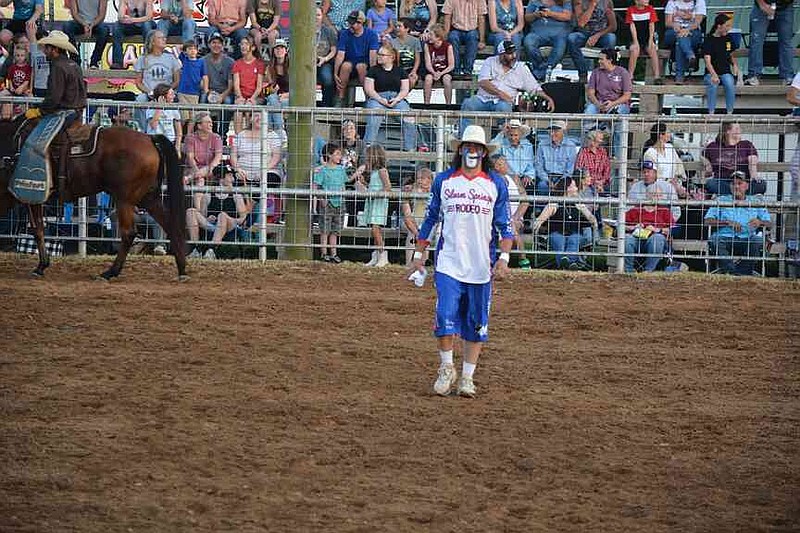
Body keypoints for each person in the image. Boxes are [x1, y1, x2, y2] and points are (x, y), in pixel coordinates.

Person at [409, 124, 514, 398]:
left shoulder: (496, 184)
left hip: (481, 265)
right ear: (460, 150)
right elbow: (431, 218)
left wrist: (503, 258)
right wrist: (419, 254)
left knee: (477, 322)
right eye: (467, 146)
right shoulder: (444, 181)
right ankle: (446, 367)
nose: (472, 151)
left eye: (477, 148)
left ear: (483, 153)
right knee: (444, 314)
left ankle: (467, 376)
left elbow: (505, 225)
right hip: (449, 262)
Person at [12, 30, 85, 203]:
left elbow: (54, 98)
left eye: (46, 48)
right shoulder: (73, 64)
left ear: (55, 49)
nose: (44, 51)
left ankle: (41, 179)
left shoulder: (58, 66)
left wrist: (39, 111)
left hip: (63, 113)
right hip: (75, 111)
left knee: (34, 140)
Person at [460, 40, 553, 131]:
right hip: (483, 99)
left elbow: (534, 88)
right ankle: (465, 138)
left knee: (503, 108)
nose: (513, 56)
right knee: (468, 103)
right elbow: (483, 82)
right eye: (509, 54)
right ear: (501, 54)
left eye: (514, 53)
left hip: (503, 103)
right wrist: (501, 94)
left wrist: (548, 98)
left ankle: (501, 141)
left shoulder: (521, 68)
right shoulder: (490, 61)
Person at [704, 171, 771, 275]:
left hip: (748, 238)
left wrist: (760, 222)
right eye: (733, 184)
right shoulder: (721, 200)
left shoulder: (756, 201)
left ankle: (737, 273)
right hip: (725, 238)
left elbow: (769, 224)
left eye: (739, 183)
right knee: (714, 239)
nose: (736, 187)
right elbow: (707, 221)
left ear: (747, 185)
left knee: (758, 241)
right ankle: (734, 272)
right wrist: (726, 222)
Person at [186, 165, 254, 260]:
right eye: (229, 175)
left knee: (222, 215)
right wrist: (207, 219)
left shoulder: (236, 196)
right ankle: (196, 249)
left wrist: (228, 219)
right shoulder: (208, 195)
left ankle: (211, 250)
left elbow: (243, 218)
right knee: (191, 212)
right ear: (221, 178)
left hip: (230, 225)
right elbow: (202, 216)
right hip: (212, 225)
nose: (232, 178)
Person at [531, 173, 597, 269]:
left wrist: (592, 220)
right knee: (559, 240)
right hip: (556, 233)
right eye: (574, 186)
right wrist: (537, 227)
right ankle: (570, 265)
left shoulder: (578, 203)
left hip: (574, 233)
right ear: (567, 188)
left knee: (574, 239)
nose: (577, 189)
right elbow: (540, 219)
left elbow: (591, 217)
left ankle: (565, 264)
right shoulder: (554, 204)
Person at [363, 41, 417, 151]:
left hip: (396, 98)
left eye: (382, 55)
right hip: (377, 97)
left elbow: (405, 89)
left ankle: (410, 150)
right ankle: (368, 149)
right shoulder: (373, 70)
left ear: (391, 57)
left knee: (409, 118)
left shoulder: (400, 71)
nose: (379, 57)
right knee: (374, 117)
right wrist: (381, 100)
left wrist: (397, 99)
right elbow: (369, 89)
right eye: (379, 54)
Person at [133, 30, 182, 130]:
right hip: (150, 93)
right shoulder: (143, 59)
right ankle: (144, 130)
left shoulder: (171, 58)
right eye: (160, 38)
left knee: (177, 101)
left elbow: (176, 81)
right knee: (140, 100)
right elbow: (138, 82)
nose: (164, 39)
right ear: (153, 41)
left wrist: (167, 91)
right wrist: (149, 92)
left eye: (164, 37)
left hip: (167, 93)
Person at [702, 122, 766, 196]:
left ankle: (735, 195)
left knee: (761, 185)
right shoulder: (713, 146)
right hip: (723, 182)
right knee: (710, 184)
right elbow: (702, 155)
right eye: (736, 128)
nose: (740, 131)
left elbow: (752, 158)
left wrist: (754, 175)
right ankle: (740, 196)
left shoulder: (746, 144)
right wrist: (707, 164)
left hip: (743, 183)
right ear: (727, 131)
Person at [313, 142, 352, 263]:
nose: (339, 157)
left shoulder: (341, 170)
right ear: (329, 155)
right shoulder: (323, 170)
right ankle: (324, 253)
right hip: (327, 202)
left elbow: (344, 184)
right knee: (325, 229)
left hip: (339, 202)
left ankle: (334, 253)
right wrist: (321, 199)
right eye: (337, 154)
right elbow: (316, 186)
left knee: (335, 230)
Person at [491, 153, 530, 269]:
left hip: (515, 216)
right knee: (510, 229)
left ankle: (522, 260)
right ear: (495, 166)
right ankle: (521, 260)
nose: (506, 165)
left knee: (512, 227)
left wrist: (515, 217)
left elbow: (525, 201)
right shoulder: (491, 180)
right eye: (502, 163)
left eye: (505, 162)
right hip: (496, 217)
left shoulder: (514, 178)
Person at [623, 183, 674, 272]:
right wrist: (633, 227)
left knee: (657, 239)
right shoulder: (635, 210)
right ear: (647, 195)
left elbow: (674, 229)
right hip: (637, 238)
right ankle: (629, 270)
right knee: (627, 239)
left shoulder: (665, 211)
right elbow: (619, 225)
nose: (658, 197)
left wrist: (657, 230)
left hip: (655, 238)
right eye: (654, 194)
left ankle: (648, 271)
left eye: (660, 195)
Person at [333, 10, 380, 107]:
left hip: (364, 64)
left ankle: (368, 98)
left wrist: (373, 73)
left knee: (361, 67)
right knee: (345, 66)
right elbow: (340, 54)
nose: (350, 25)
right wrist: (335, 72)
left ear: (360, 23)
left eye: (353, 23)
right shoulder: (344, 34)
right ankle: (340, 98)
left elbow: (373, 55)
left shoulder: (371, 34)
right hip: (349, 61)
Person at [745, 0, 795, 87]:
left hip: (785, 7)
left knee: (786, 41)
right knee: (756, 40)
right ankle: (753, 75)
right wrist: (762, 4)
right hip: (761, 6)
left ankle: (788, 76)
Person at [522, 0, 573, 82]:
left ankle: (537, 74)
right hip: (537, 33)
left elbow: (567, 16)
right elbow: (527, 18)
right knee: (528, 42)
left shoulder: (565, 1)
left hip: (559, 34)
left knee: (560, 50)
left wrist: (550, 14)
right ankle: (542, 71)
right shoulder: (534, 1)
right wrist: (536, 15)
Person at [567, 0, 617, 83]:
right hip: (584, 34)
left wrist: (597, 35)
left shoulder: (607, 2)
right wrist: (592, 5)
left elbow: (613, 26)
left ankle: (603, 73)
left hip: (601, 34)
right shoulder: (579, 2)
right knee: (572, 38)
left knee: (611, 38)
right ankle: (583, 73)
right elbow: (581, 23)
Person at [362, 143, 392, 267]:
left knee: (376, 229)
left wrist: (377, 194)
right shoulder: (374, 172)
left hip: (379, 202)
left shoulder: (382, 171)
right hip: (373, 201)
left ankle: (382, 254)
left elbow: (387, 187)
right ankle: (376, 255)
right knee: (374, 229)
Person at [702, 13, 738, 116]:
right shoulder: (709, 39)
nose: (728, 29)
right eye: (726, 26)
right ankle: (711, 112)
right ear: (719, 26)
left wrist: (735, 65)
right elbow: (707, 60)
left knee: (729, 84)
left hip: (725, 71)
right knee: (713, 84)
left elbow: (731, 55)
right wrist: (713, 74)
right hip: (711, 72)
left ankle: (730, 112)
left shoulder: (728, 38)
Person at [663, 0, 706, 84]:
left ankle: (679, 76)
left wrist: (687, 29)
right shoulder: (672, 2)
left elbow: (697, 22)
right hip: (674, 31)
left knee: (679, 41)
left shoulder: (699, 2)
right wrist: (675, 25)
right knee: (680, 37)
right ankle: (690, 55)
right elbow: (667, 23)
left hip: (693, 32)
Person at [629, 158, 682, 226]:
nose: (646, 174)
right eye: (644, 172)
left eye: (648, 172)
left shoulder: (668, 187)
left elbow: (676, 211)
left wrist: (665, 226)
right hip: (638, 225)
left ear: (655, 173)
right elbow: (628, 208)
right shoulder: (635, 187)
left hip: (660, 225)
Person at [442, 0, 487, 76]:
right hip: (456, 29)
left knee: (473, 37)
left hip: (472, 30)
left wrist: (482, 40)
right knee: (452, 37)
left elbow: (481, 19)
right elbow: (447, 17)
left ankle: (467, 71)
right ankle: (455, 70)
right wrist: (445, 36)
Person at [401, 165, 433, 266]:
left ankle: (424, 262)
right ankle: (408, 263)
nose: (419, 181)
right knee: (412, 234)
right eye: (418, 178)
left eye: (422, 178)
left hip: (428, 222)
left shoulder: (434, 191)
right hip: (413, 222)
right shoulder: (411, 189)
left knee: (427, 235)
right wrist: (416, 232)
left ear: (429, 180)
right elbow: (407, 215)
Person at [534, 119, 577, 195]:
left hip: (563, 178)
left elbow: (570, 169)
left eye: (556, 131)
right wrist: (547, 180)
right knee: (542, 185)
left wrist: (560, 182)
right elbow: (538, 165)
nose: (552, 133)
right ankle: (542, 207)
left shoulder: (571, 145)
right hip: (547, 176)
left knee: (565, 187)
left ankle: (559, 206)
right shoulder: (542, 144)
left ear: (563, 132)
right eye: (550, 130)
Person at [64, 0, 109, 69]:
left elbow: (101, 15)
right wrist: (84, 24)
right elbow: (74, 14)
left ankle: (95, 61)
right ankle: (75, 59)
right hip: (80, 22)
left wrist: (91, 25)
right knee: (67, 27)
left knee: (105, 30)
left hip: (96, 23)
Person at [625, 0, 661, 83]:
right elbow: (632, 26)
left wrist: (650, 41)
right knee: (634, 50)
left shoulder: (650, 9)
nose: (647, 0)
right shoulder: (630, 10)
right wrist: (635, 42)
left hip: (648, 37)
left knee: (652, 50)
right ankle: (630, 76)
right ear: (636, 1)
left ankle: (657, 77)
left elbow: (652, 25)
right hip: (635, 37)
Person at [111, 0, 154, 69]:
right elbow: (120, 17)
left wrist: (133, 20)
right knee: (117, 26)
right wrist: (124, 19)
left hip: (144, 23)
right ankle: (117, 62)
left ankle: (148, 60)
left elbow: (149, 17)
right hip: (131, 25)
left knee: (147, 25)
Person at [184, 111, 223, 187]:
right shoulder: (190, 138)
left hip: (211, 168)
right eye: (208, 122)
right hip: (192, 168)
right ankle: (190, 177)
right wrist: (197, 171)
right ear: (199, 126)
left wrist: (210, 168)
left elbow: (218, 157)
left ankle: (187, 178)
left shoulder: (216, 137)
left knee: (201, 177)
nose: (211, 125)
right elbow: (190, 158)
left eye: (211, 122)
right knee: (200, 180)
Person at [177, 40, 207, 131]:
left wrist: (205, 88)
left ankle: (189, 135)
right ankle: (179, 133)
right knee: (183, 116)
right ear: (186, 51)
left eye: (194, 49)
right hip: (183, 92)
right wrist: (184, 47)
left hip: (194, 93)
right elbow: (178, 47)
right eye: (190, 49)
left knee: (192, 117)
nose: (193, 51)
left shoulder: (201, 62)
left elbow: (205, 76)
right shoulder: (184, 59)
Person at [145, 83, 183, 153]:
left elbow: (179, 130)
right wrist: (160, 107)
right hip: (155, 141)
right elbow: (153, 125)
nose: (174, 96)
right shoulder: (151, 108)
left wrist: (177, 146)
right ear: (163, 96)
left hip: (170, 141)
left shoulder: (173, 109)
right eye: (171, 94)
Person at [422, 23, 454, 105]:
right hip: (432, 70)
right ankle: (427, 104)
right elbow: (428, 63)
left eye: (431, 34)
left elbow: (451, 65)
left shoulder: (448, 46)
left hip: (445, 70)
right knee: (428, 79)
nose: (429, 36)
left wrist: (441, 73)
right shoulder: (427, 46)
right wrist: (434, 73)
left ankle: (448, 104)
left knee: (446, 79)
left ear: (438, 37)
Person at [232, 35, 265, 105]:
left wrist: (252, 99)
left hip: (256, 97)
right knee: (240, 106)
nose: (243, 46)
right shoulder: (237, 63)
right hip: (241, 96)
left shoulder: (259, 64)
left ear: (253, 48)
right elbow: (236, 85)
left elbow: (259, 87)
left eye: (246, 44)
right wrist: (240, 97)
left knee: (249, 105)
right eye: (242, 44)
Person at [575, 128, 610, 194]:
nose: (600, 142)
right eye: (598, 140)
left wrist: (602, 181)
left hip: (602, 183)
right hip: (589, 184)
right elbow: (580, 170)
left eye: (600, 141)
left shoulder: (603, 151)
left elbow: (607, 169)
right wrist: (594, 182)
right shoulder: (583, 152)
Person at [316, 6, 338, 107]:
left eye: (318, 15)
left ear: (322, 16)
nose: (316, 17)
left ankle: (327, 105)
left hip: (325, 60)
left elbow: (333, 50)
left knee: (328, 79)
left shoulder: (328, 31)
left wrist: (324, 59)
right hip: (308, 61)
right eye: (314, 15)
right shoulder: (305, 31)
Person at [0, 45, 31, 119]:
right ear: (15, 56)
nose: (20, 57)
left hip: (23, 90)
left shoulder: (28, 68)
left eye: (22, 55)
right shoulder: (12, 67)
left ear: (25, 56)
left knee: (30, 97)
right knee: (2, 94)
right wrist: (11, 87)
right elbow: (9, 79)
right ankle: (3, 114)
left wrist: (22, 88)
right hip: (13, 89)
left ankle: (20, 115)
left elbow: (27, 80)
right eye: (18, 55)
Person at [265, 37, 289, 130]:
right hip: (276, 98)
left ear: (286, 51)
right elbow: (265, 91)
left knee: (270, 105)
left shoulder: (292, 66)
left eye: (282, 48)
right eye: (277, 48)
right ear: (274, 51)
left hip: (290, 98)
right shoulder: (269, 68)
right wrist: (271, 90)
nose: (279, 50)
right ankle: (280, 132)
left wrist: (286, 95)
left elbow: (299, 90)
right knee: (271, 99)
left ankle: (274, 134)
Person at [391, 18, 422, 90]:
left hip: (411, 68)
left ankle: (403, 96)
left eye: (399, 26)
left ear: (407, 29)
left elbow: (417, 59)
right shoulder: (392, 42)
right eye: (396, 26)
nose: (397, 29)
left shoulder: (415, 41)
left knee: (412, 80)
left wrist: (414, 71)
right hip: (398, 69)